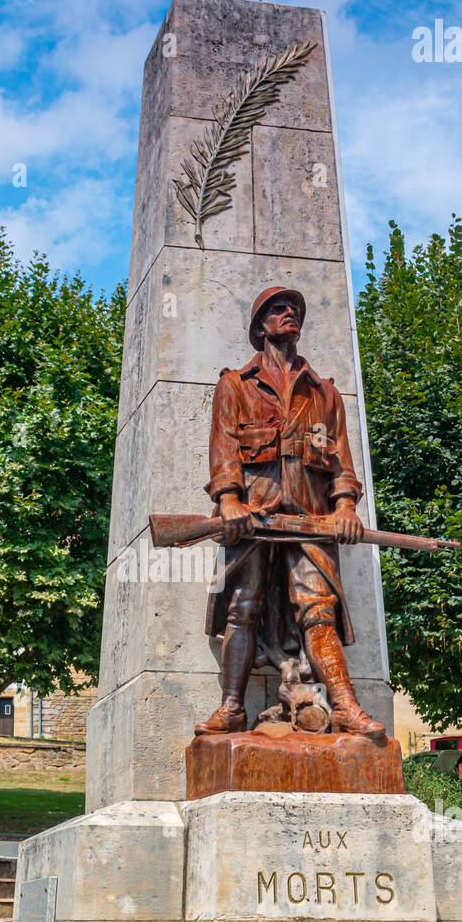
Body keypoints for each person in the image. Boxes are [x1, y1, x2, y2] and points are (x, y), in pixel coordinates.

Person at [195, 286, 386, 740]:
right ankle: (232, 708)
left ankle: (345, 707)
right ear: (261, 327)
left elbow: (341, 460)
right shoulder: (236, 385)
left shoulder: (324, 393)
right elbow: (223, 447)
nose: (288, 315)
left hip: (311, 519)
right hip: (254, 516)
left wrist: (344, 505)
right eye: (277, 310)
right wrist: (228, 500)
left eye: (294, 310)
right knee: (242, 609)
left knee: (319, 610)